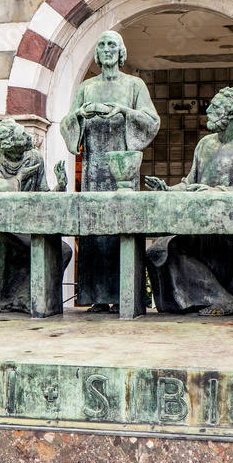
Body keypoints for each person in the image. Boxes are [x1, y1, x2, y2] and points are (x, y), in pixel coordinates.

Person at [60, 31, 160, 313]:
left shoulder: (134, 85)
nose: (106, 49)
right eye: (102, 45)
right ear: (97, 53)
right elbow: (68, 120)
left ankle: (124, 294)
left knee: (122, 226)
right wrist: (81, 114)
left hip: (122, 170)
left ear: (121, 51)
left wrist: (124, 111)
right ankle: (98, 297)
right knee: (95, 229)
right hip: (93, 169)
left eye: (112, 45)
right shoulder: (86, 87)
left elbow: (151, 120)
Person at [145, 87, 233, 316]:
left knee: (174, 248)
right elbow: (189, 183)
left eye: (215, 108)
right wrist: (168, 189)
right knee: (156, 251)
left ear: (229, 115)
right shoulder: (204, 145)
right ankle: (185, 302)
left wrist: (213, 191)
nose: (208, 111)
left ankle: (223, 300)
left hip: (228, 234)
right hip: (200, 227)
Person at [0, 118, 71, 312]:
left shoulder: (34, 157)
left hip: (28, 228)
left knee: (63, 250)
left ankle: (29, 298)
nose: (28, 137)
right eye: (23, 135)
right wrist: (20, 176)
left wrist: (60, 187)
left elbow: (42, 196)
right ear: (10, 143)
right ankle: (1, 300)